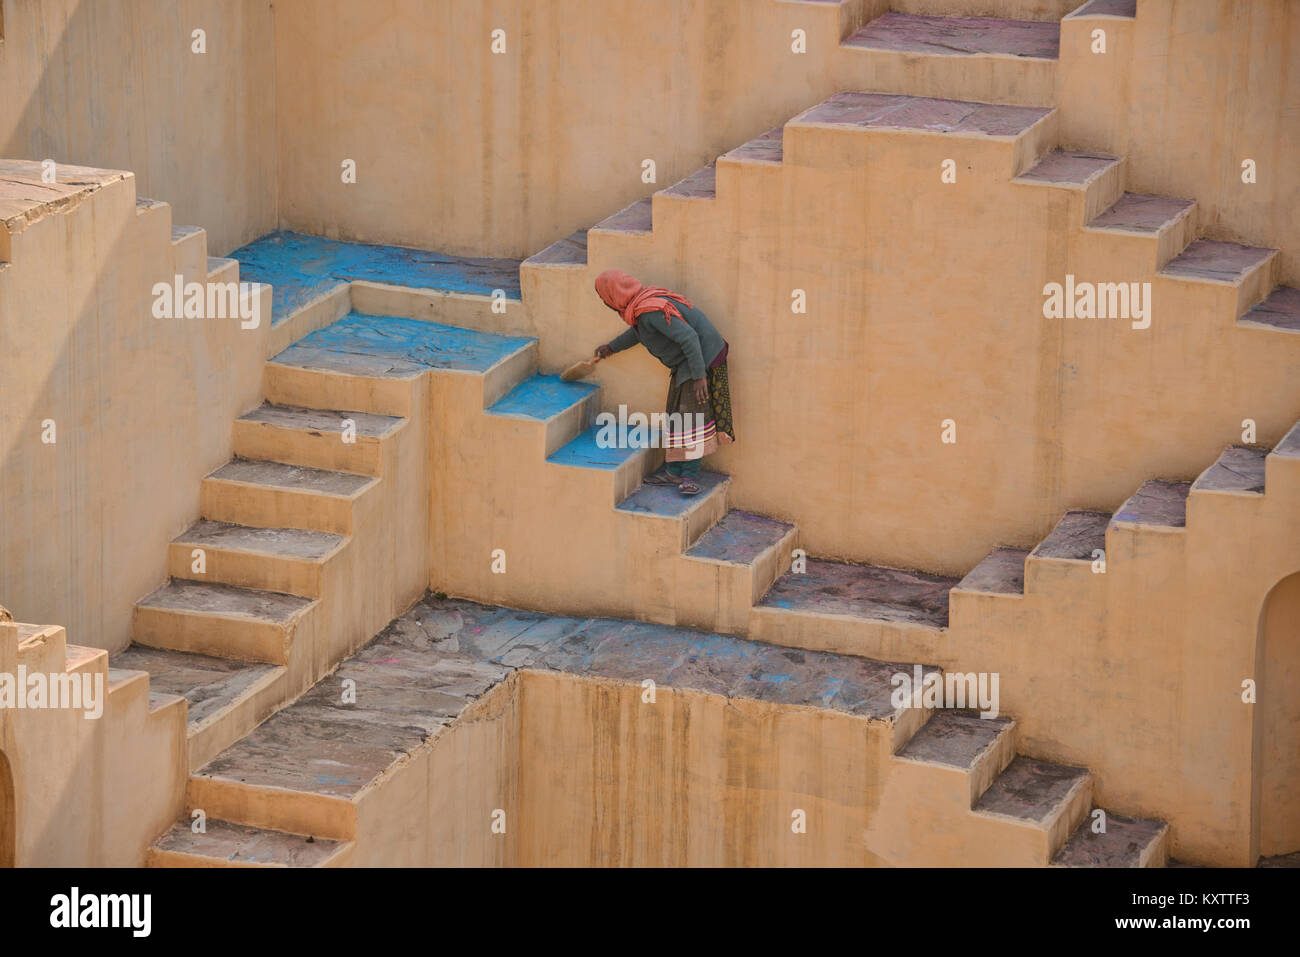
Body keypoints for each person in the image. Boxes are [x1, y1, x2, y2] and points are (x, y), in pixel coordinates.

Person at [592, 269, 734, 496]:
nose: (603, 301)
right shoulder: (640, 307)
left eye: (603, 297)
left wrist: (699, 376)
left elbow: (689, 337)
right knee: (676, 413)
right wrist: (611, 348)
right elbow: (638, 334)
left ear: (613, 296)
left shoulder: (649, 312)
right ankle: (674, 471)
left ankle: (689, 476)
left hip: (700, 359)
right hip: (687, 363)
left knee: (691, 416)